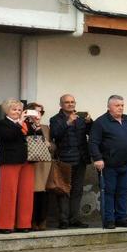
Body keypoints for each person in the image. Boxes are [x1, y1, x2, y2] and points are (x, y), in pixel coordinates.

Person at [89, 95, 127, 229]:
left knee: (123, 191)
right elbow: (93, 142)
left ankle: (121, 218)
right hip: (109, 164)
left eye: (122, 105)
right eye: (117, 105)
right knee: (109, 192)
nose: (121, 108)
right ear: (109, 107)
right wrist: (98, 158)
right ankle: (109, 220)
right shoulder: (101, 122)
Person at [0, 99, 37, 234]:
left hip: (27, 161)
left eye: (19, 110)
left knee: (26, 193)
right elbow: (8, 137)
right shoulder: (1, 124)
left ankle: (24, 224)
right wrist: (19, 124)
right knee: (9, 192)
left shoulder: (26, 123)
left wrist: (36, 125)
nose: (17, 112)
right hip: (10, 161)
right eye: (14, 109)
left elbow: (36, 138)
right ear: (7, 110)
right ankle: (5, 225)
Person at [50, 94, 91, 228]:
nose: (70, 104)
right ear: (61, 105)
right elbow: (55, 134)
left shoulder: (80, 118)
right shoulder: (55, 119)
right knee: (64, 190)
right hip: (65, 159)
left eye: (72, 102)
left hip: (81, 159)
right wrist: (67, 122)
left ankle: (74, 219)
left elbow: (92, 133)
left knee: (77, 191)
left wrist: (90, 122)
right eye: (67, 102)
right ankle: (63, 220)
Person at [24, 102, 54, 230]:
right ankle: (31, 220)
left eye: (40, 112)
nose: (38, 115)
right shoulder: (24, 126)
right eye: (36, 112)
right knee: (32, 192)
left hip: (44, 164)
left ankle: (42, 220)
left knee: (43, 192)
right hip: (30, 163)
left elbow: (53, 146)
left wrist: (49, 145)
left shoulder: (46, 128)